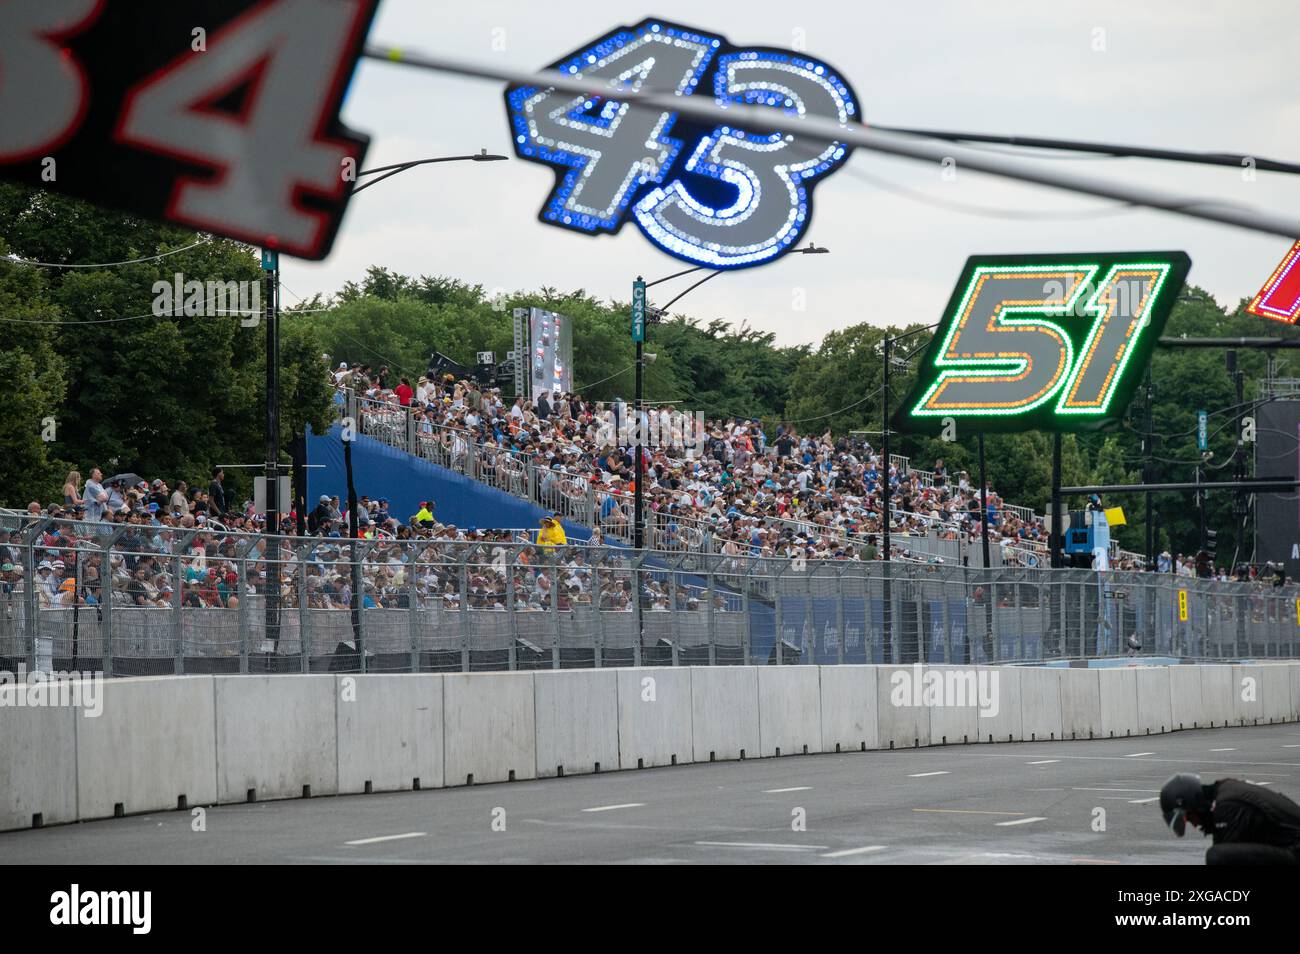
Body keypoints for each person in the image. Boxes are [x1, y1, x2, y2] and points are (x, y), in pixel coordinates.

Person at [1160, 772, 1300, 864]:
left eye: (1189, 818)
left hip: (1294, 849)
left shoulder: (1227, 806)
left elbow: (1224, 853)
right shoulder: (1226, 790)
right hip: (1288, 845)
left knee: (1217, 856)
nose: (1194, 825)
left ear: (1194, 803)